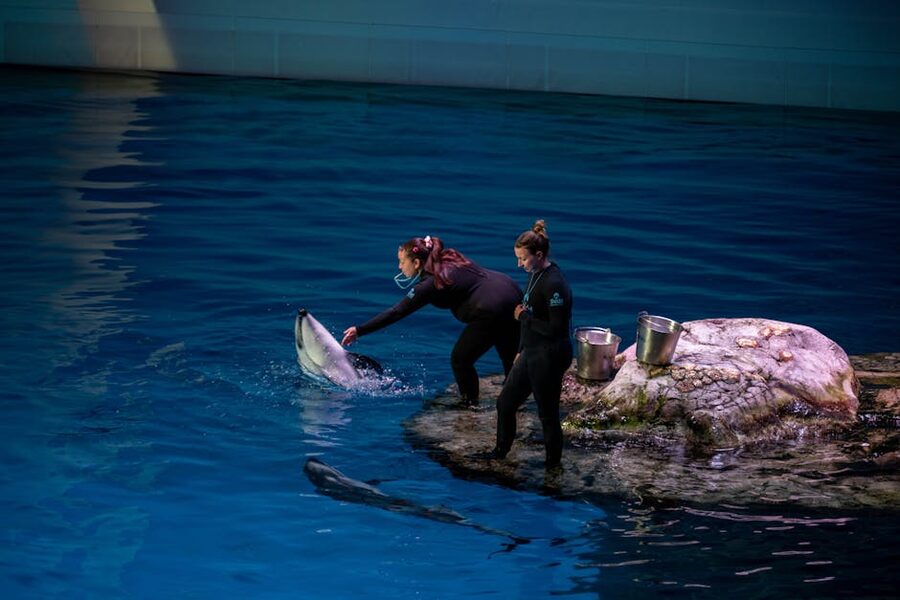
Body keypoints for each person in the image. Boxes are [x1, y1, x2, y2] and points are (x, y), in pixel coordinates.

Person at [341, 235, 522, 406]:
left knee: (460, 360)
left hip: (492, 307)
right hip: (510, 289)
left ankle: (470, 405)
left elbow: (396, 312)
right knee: (507, 353)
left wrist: (360, 330)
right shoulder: (448, 257)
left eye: (402, 262)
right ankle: (515, 400)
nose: (399, 267)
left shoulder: (429, 284)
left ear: (417, 262)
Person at [487, 220, 573, 469]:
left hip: (550, 354)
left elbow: (556, 330)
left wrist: (524, 318)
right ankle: (500, 453)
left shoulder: (554, 283)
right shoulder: (535, 274)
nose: (519, 264)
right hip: (531, 352)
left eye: (522, 259)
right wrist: (520, 349)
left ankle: (553, 469)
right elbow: (528, 313)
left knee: (547, 415)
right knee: (505, 403)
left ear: (539, 255)